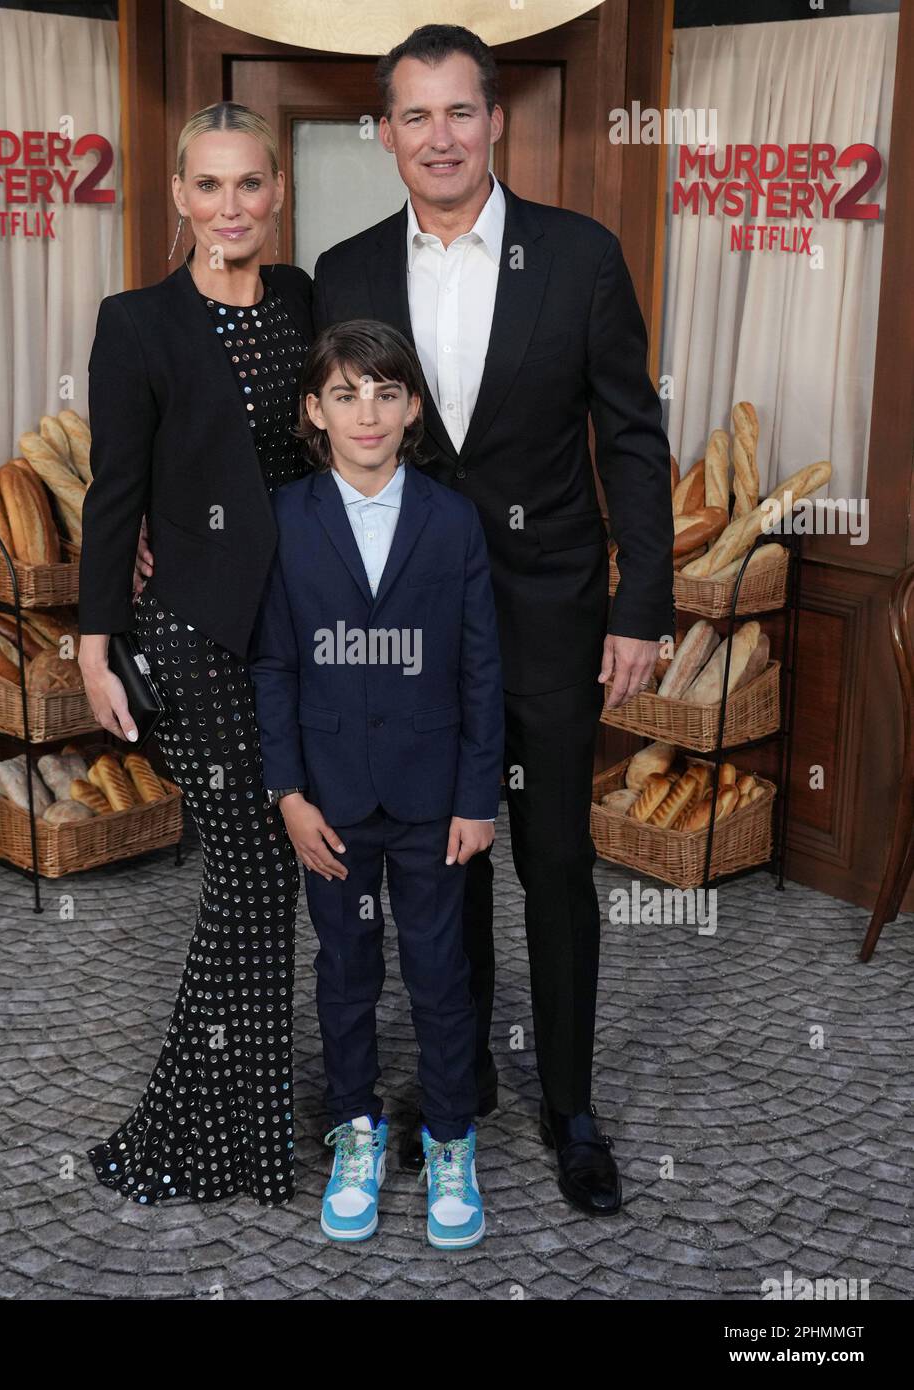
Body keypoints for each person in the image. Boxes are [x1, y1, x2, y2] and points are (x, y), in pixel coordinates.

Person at [312, 25, 676, 1214]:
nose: (439, 138)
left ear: (495, 122)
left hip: (551, 617)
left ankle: (569, 1105)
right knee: (437, 866)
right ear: (385, 136)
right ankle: (449, 1089)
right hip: (408, 627)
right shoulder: (346, 268)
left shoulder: (578, 257)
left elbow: (628, 435)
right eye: (413, 117)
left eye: (459, 112)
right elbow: (310, 437)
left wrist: (639, 604)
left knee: (554, 862)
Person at [77, 101, 315, 1206]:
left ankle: (248, 1121)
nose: (231, 207)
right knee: (256, 872)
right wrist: (93, 639)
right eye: (208, 186)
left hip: (298, 629)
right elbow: (113, 491)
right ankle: (209, 1126)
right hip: (195, 634)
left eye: (250, 184)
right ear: (176, 197)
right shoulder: (135, 323)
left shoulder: (303, 303)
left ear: (276, 193)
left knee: (272, 882)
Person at [249, 320, 504, 1248]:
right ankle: (353, 1127)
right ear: (314, 411)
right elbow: (274, 665)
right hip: (329, 801)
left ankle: (447, 1136)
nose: (368, 413)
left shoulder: (450, 519)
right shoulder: (286, 517)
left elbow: (480, 666)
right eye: (346, 395)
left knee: (441, 974)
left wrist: (479, 796)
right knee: (345, 973)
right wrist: (288, 794)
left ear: (414, 410)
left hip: (434, 799)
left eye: (386, 394)